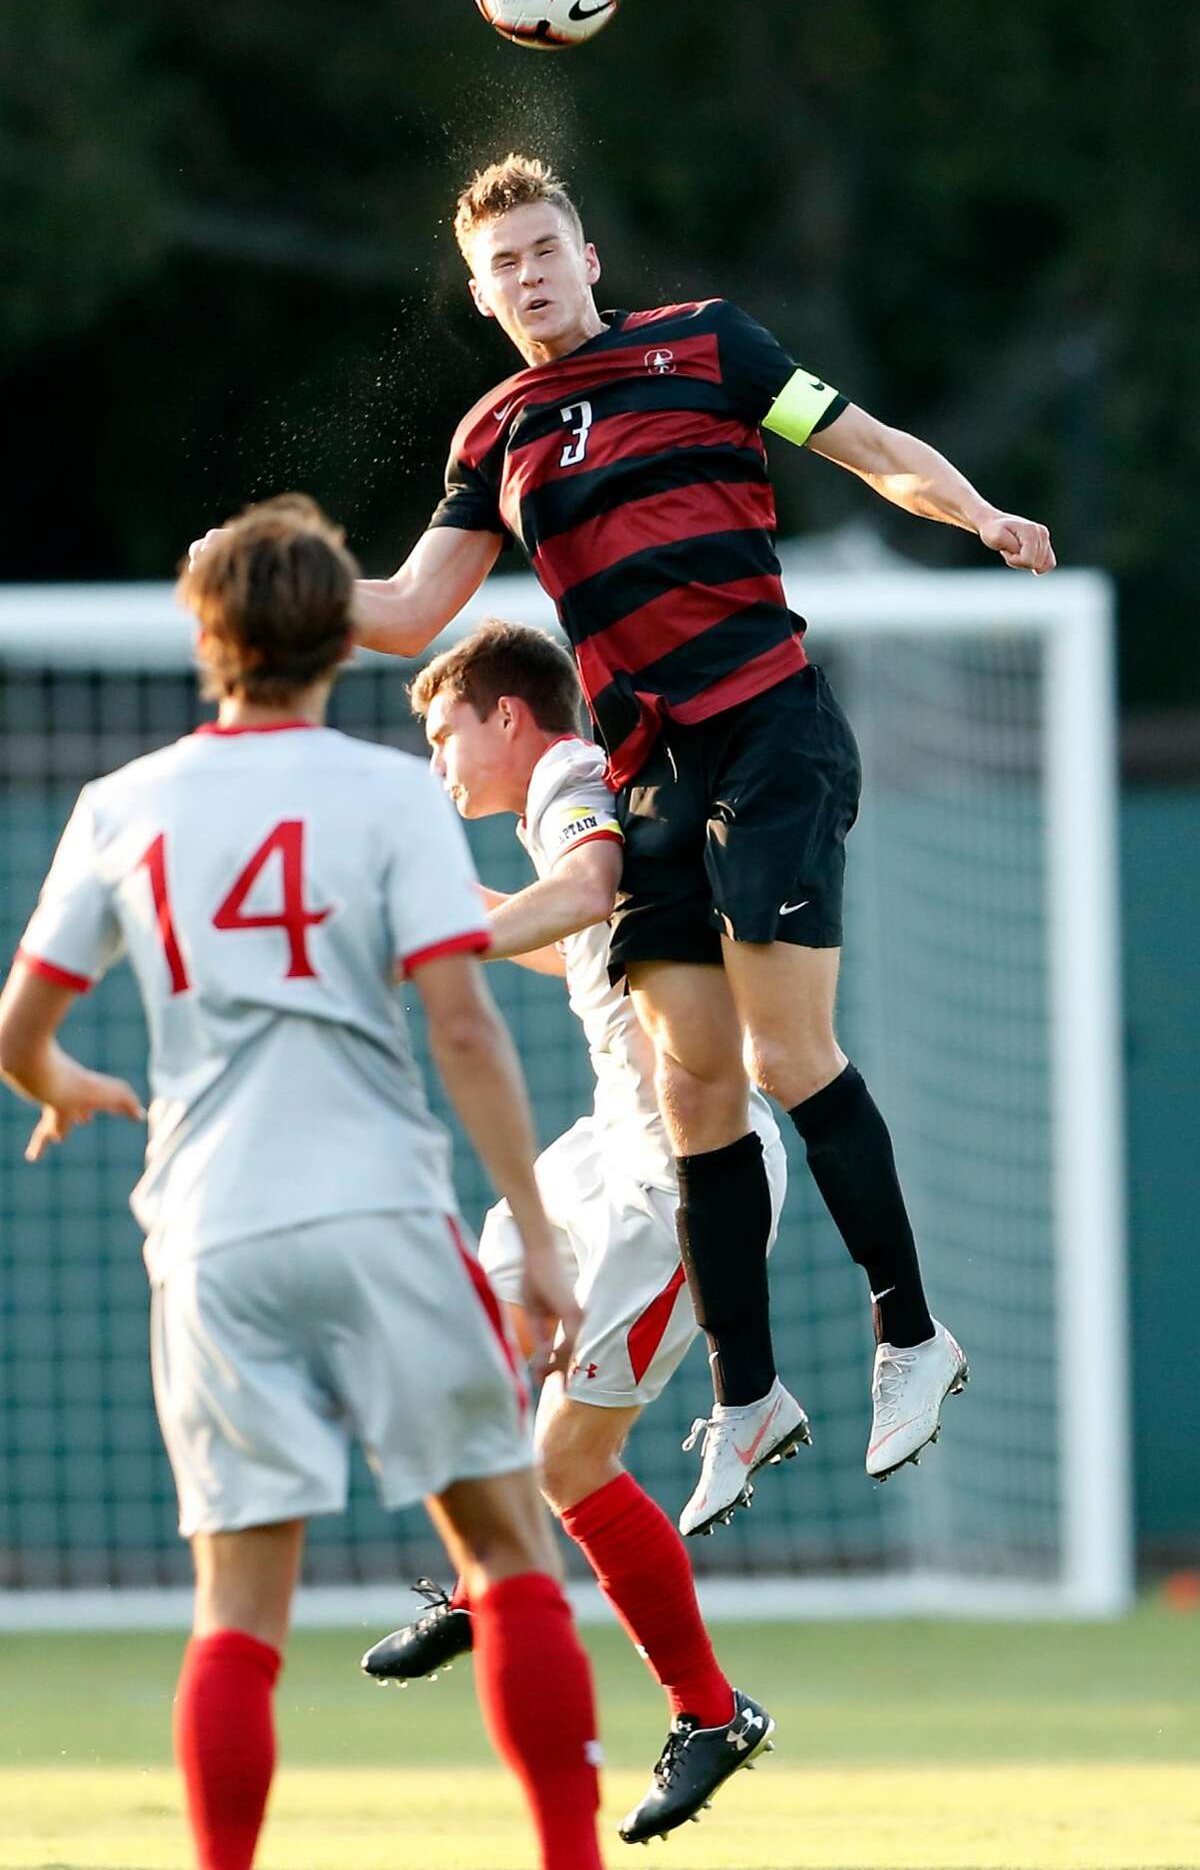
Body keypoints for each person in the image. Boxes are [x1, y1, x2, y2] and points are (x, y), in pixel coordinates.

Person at [198, 153, 1045, 1531]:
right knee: (692, 1081)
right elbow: (416, 610)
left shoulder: (707, 343)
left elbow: (870, 445)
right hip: (652, 773)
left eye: (547, 249)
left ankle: (910, 1335)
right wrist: (272, 588)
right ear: (480, 294)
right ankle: (751, 1394)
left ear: (590, 257)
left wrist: (981, 511)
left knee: (781, 1051)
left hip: (769, 730)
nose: (529, 274)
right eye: (502, 265)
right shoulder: (493, 432)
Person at [0, 499, 608, 1870]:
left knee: (238, 1609)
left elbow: (18, 1028)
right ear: (344, 632)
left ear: (201, 633)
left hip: (208, 1232)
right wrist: (544, 1234)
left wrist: (61, 1086)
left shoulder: (122, 803)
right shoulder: (390, 791)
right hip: (381, 1210)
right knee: (509, 1548)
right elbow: (461, 1024)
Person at [363, 618, 791, 1842]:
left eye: (445, 731)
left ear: (507, 716)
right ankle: (488, 1583)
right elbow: (585, 941)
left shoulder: (565, 780)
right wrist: (465, 909)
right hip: (610, 1149)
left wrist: (443, 932)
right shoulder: (569, 808)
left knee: (569, 1463)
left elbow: (587, 891)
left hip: (679, 1179)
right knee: (473, 1321)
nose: (439, 759)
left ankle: (710, 1713)